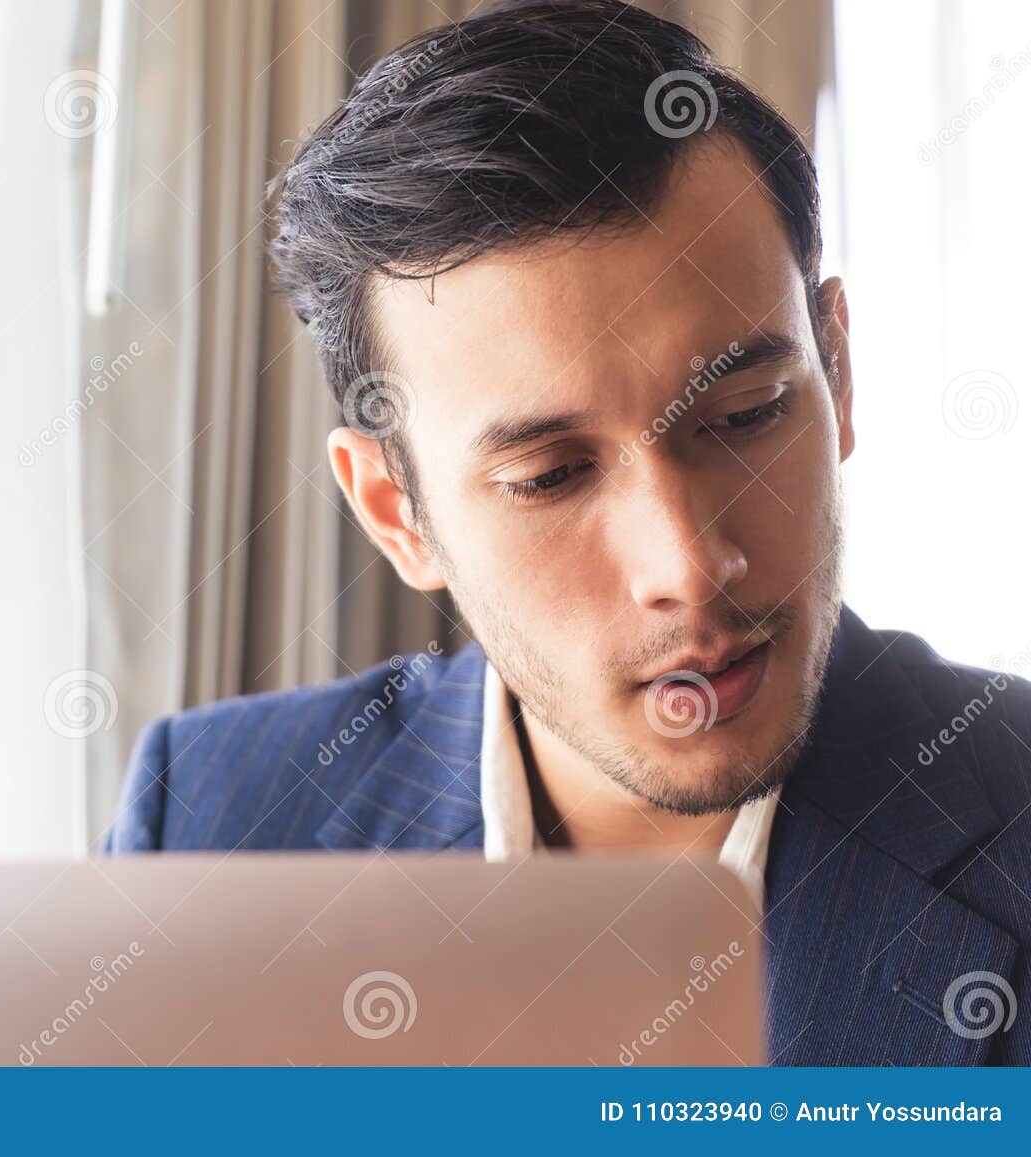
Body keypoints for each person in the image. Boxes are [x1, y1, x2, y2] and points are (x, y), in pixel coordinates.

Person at [102, 0, 1031, 1066]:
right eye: (549, 476)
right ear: (397, 513)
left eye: (745, 416)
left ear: (839, 370)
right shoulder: (213, 825)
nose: (688, 563)